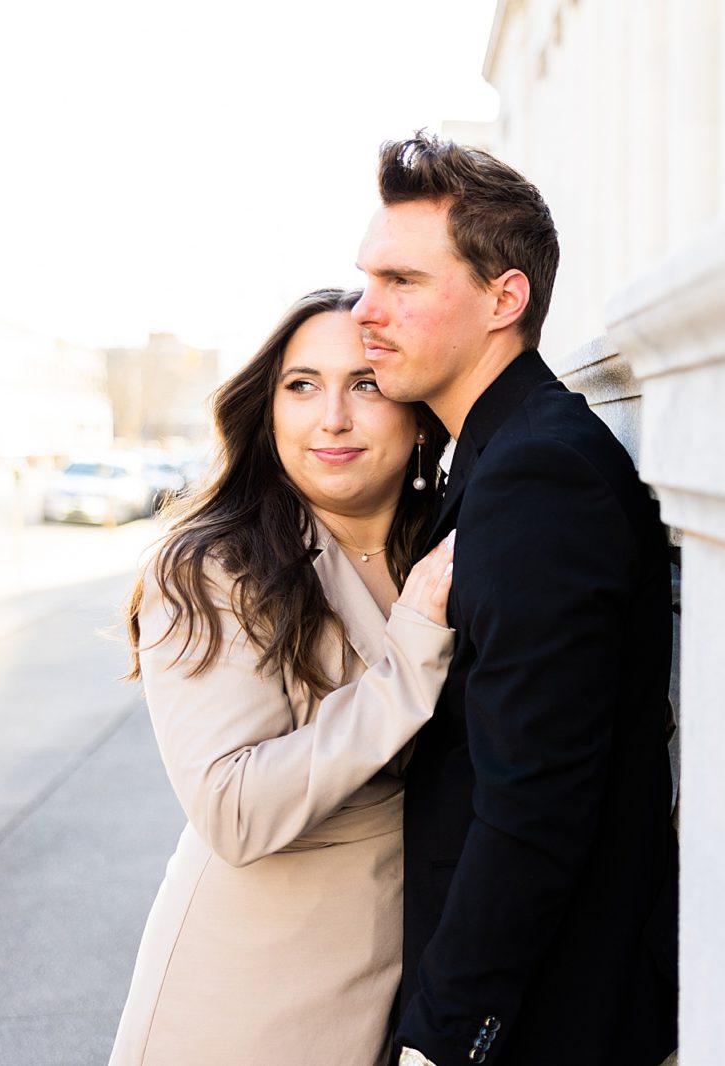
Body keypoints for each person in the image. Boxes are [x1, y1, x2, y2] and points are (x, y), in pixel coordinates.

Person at [353, 133, 678, 1066]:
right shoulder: (499, 456)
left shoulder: (539, 473)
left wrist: (447, 1038)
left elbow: (534, 797)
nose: (366, 312)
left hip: (549, 1018)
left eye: (403, 282)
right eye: (366, 279)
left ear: (506, 298)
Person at [110, 288, 459, 1066]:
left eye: (364, 383)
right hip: (248, 999)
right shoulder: (214, 566)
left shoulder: (440, 546)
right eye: (301, 385)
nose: (331, 416)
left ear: (415, 406)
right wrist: (413, 653)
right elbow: (232, 810)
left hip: (397, 986)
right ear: (266, 411)